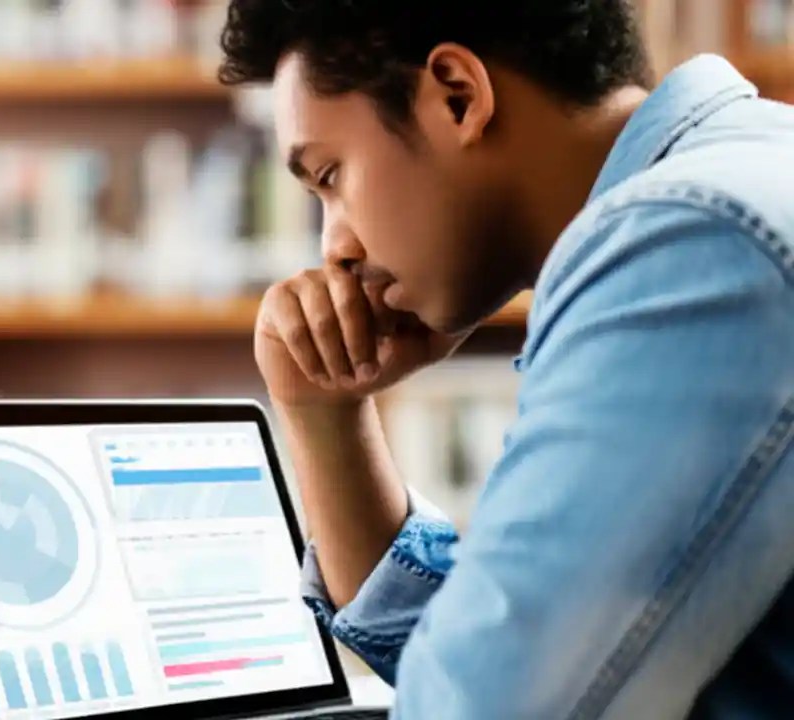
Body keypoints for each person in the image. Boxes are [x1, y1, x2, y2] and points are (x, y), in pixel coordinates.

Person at [217, 1, 794, 717]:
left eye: (330, 175)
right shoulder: (739, 174)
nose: (334, 248)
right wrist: (325, 412)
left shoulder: (691, 241)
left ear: (458, 96)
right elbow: (510, 656)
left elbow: (486, 702)